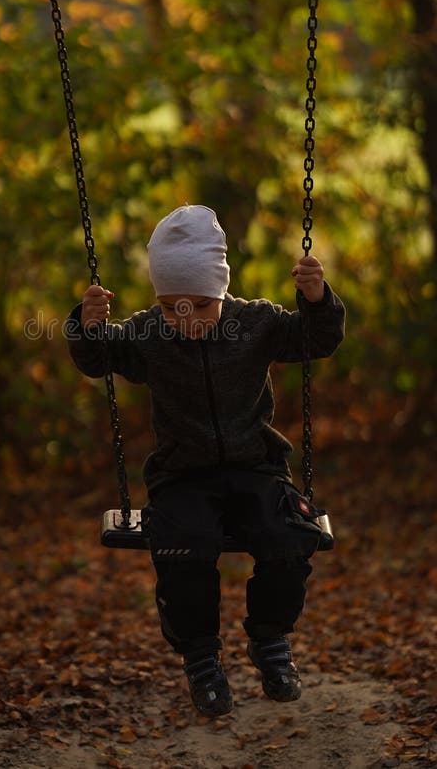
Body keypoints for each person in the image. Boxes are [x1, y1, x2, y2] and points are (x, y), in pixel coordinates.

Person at [64, 205, 345, 718]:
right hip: (181, 474)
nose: (185, 318)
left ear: (220, 291)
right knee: (182, 552)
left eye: (198, 304)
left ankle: (270, 640)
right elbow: (99, 358)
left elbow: (317, 340)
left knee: (289, 539)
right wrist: (86, 326)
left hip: (256, 467)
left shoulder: (256, 323)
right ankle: (200, 657)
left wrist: (316, 300)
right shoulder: (149, 334)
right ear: (157, 302)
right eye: (172, 308)